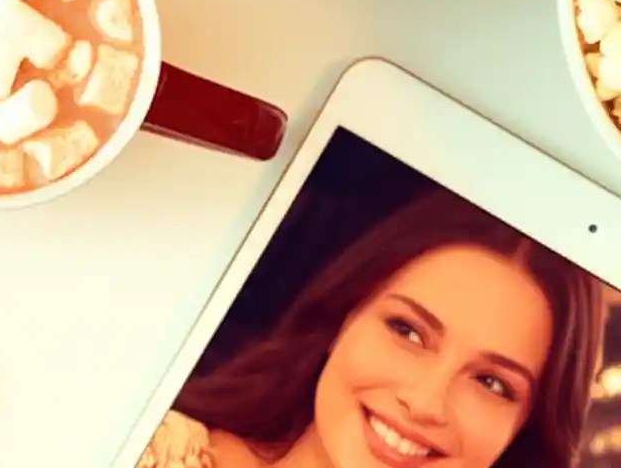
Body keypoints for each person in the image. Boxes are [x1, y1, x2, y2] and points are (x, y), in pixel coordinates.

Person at [140, 187, 606, 468]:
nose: (424, 402)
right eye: (408, 331)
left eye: (491, 383)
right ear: (346, 316)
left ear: (523, 430)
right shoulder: (142, 444)